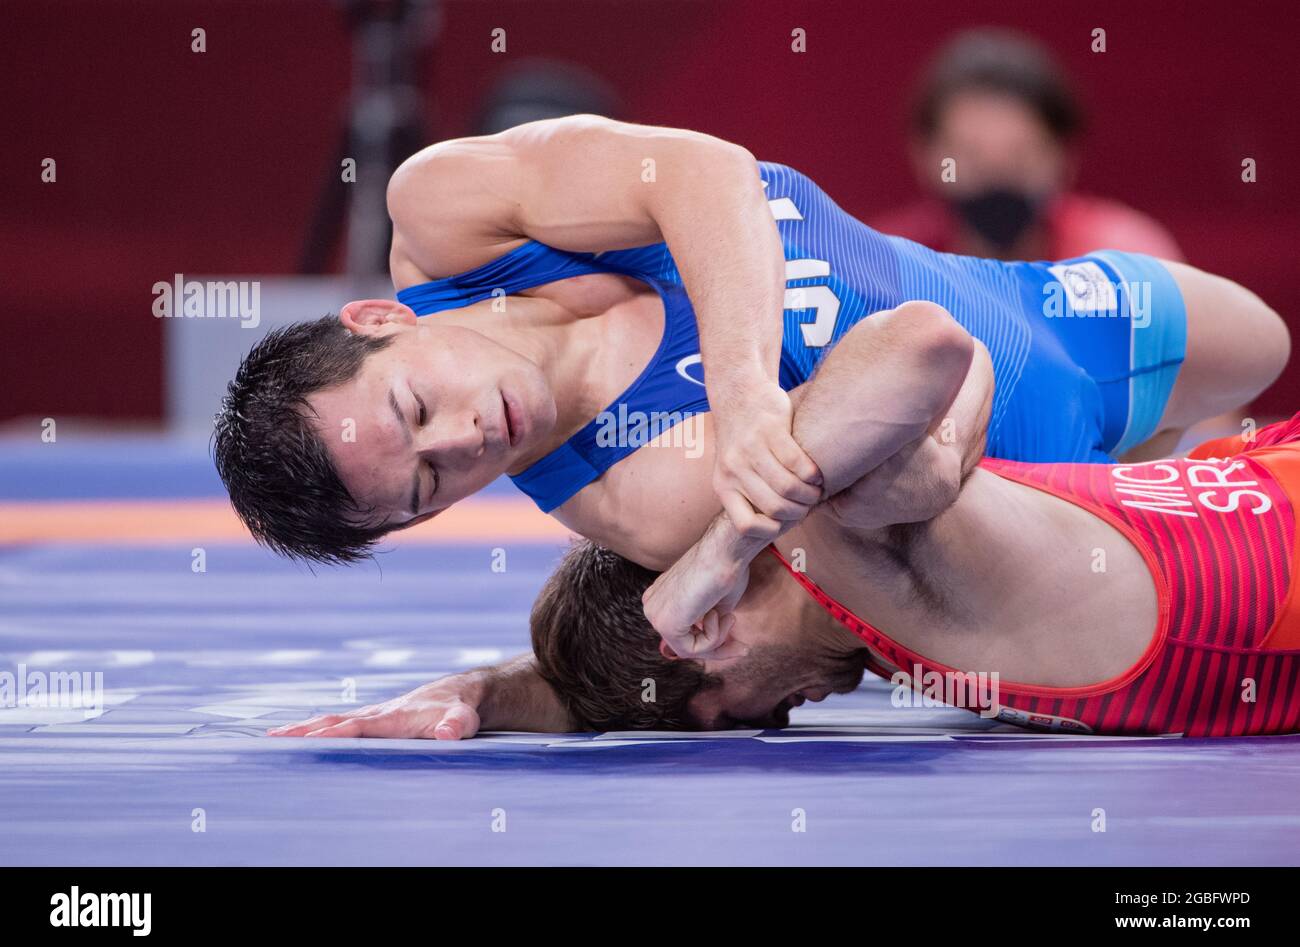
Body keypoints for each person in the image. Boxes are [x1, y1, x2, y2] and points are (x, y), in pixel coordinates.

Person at [215, 115, 1286, 577]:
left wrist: (743, 390)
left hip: (1049, 306)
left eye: (415, 409)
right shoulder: (629, 497)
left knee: (1264, 342)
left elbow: (706, 171)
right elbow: (906, 431)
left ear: (378, 318)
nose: (465, 440)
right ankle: (1161, 484)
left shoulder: (451, 212)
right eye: (430, 485)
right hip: (1058, 484)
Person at [271, 301, 1300, 740]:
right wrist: (496, 692)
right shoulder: (851, 601)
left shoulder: (838, 523)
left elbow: (924, 337)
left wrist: (719, 544)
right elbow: (651, 672)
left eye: (756, 712)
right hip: (1249, 484)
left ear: (707, 619)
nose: (802, 703)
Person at [873, 28, 1185, 263]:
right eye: (971, 156)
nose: (997, 179)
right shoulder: (886, 262)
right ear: (924, 155)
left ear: (1064, 157)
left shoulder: (1121, 259)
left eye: (1020, 157)